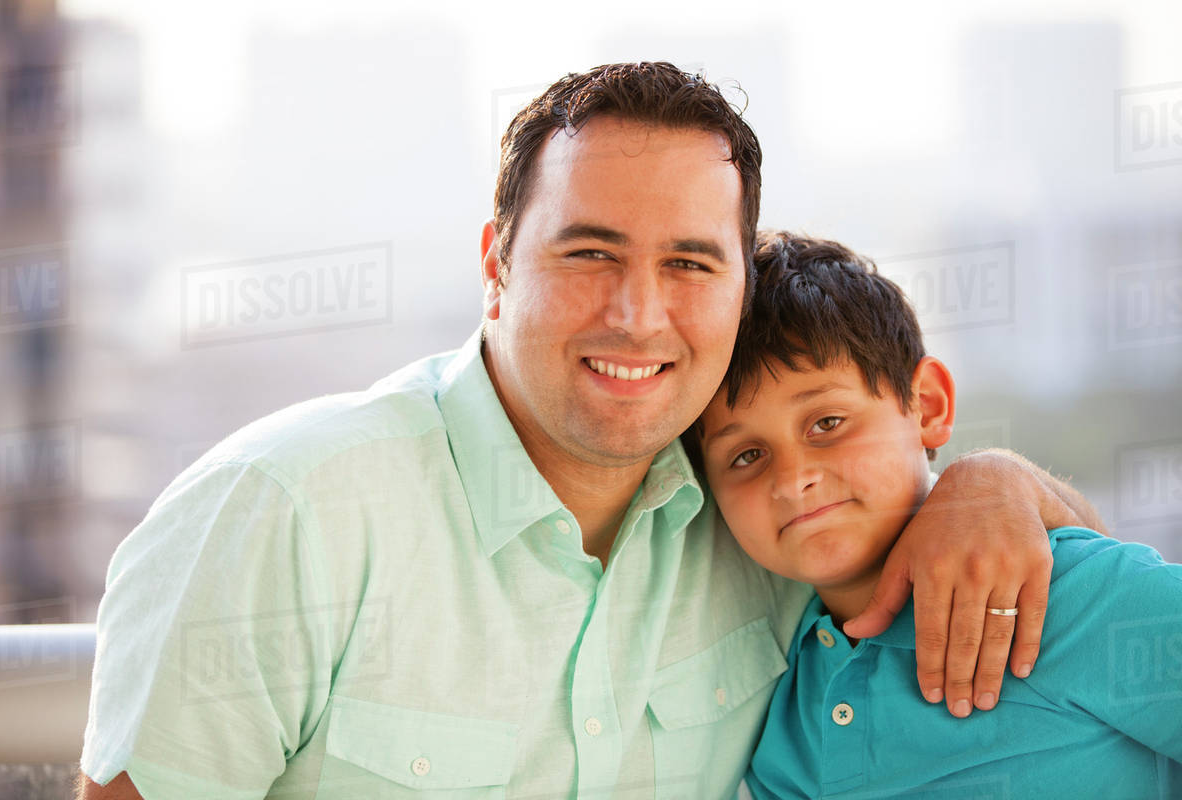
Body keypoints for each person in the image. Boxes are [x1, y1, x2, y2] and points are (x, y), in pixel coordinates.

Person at [78, 63, 1105, 800]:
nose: (637, 313)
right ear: (496, 261)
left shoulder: (762, 511)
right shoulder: (285, 512)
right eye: (589, 253)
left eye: (692, 264)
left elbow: (999, 552)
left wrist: (990, 478)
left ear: (740, 288)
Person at [694, 230, 1182, 798]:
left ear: (926, 405)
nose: (792, 477)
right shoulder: (782, 700)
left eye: (827, 423)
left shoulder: (1068, 593)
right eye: (746, 456)